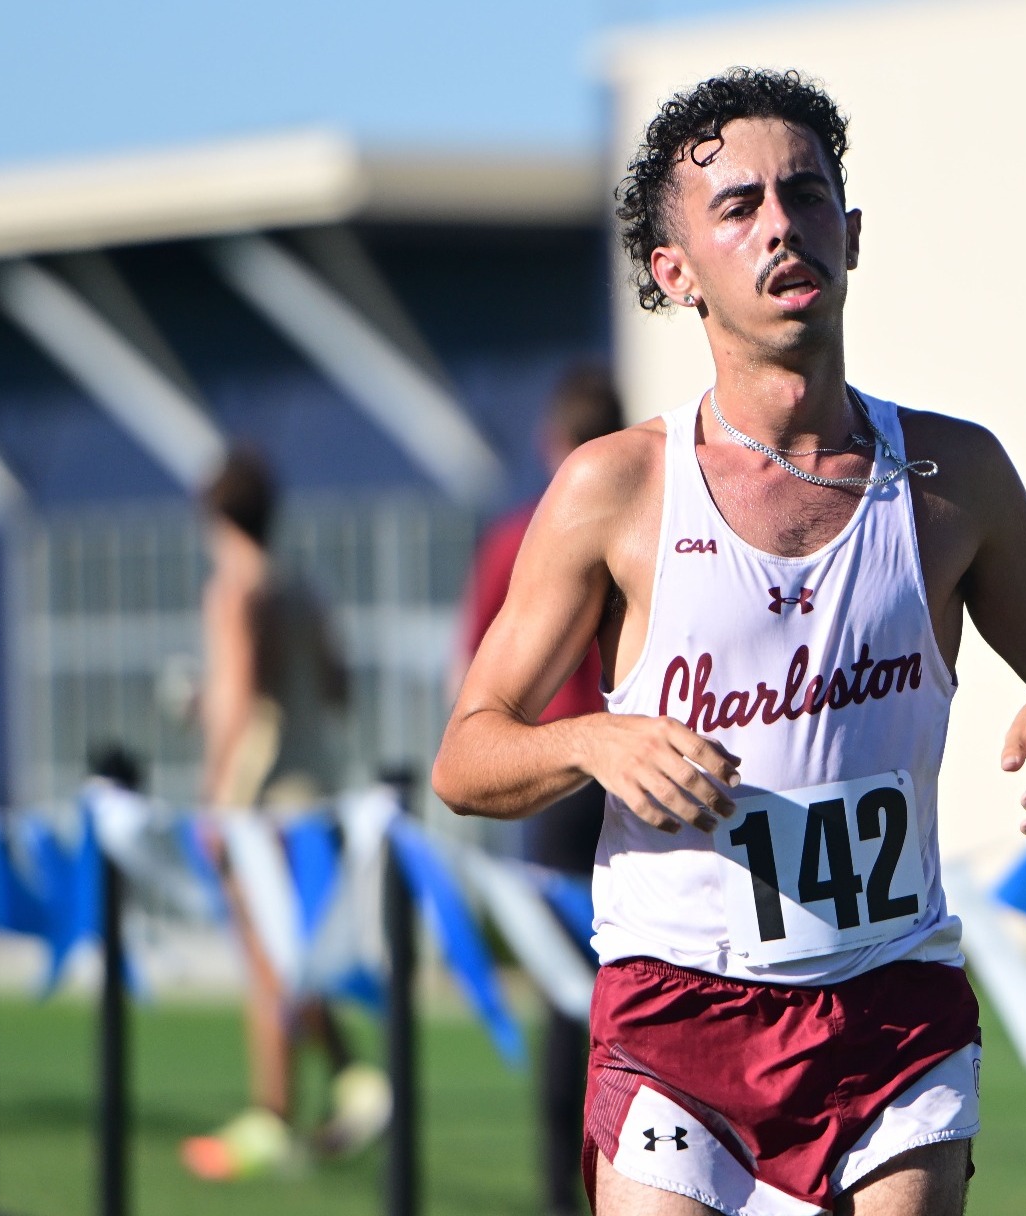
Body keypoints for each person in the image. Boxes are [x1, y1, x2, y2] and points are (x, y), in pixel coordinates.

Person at [432, 68, 1026, 1216]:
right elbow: (466, 758)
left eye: (805, 196)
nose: (779, 225)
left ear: (850, 236)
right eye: (738, 206)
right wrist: (596, 741)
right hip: (676, 1012)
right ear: (674, 275)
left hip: (890, 1002)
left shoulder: (954, 480)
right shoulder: (615, 490)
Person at [183, 448, 390, 1180]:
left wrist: (213, 798)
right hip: (316, 789)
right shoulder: (304, 590)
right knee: (298, 959)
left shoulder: (233, 591)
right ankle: (354, 1083)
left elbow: (238, 700)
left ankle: (272, 1114)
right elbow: (336, 687)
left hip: (260, 798)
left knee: (267, 964)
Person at [453, 365, 625, 1216]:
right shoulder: (651, 520)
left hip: (560, 775)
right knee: (636, 978)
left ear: (552, 445)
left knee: (571, 991)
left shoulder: (518, 537)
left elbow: (474, 680)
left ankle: (567, 1179)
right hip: (628, 769)